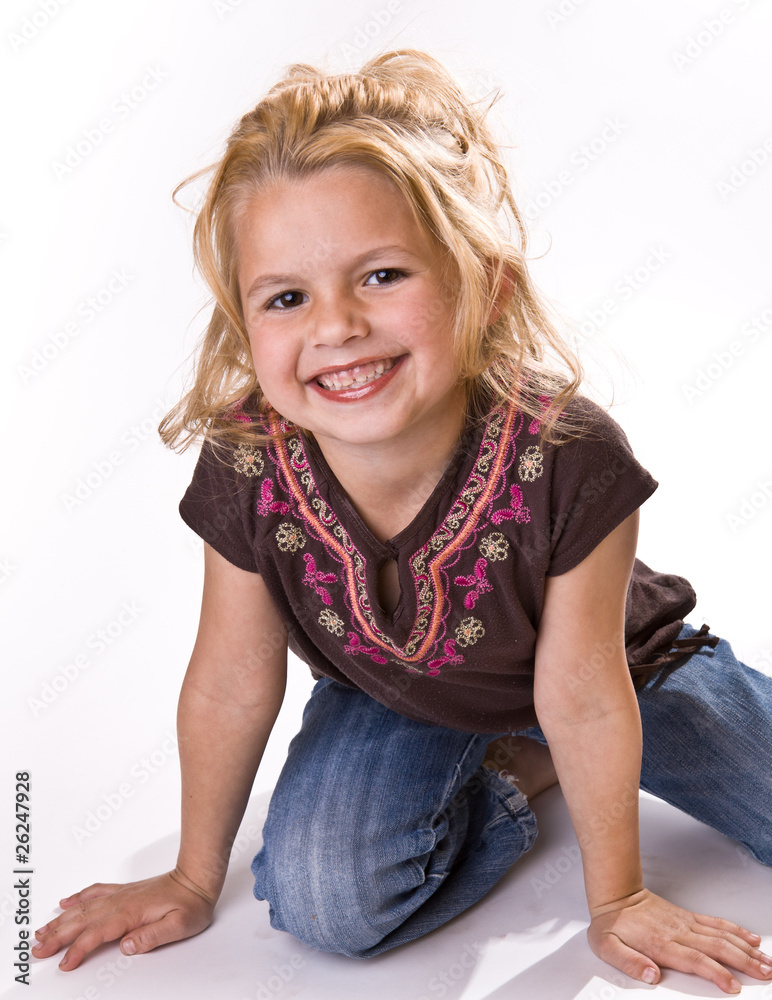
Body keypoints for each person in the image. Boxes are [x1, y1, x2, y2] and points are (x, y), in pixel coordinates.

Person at [32, 49, 772, 995]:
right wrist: (190, 876)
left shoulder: (569, 455)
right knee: (321, 902)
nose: (335, 325)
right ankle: (521, 768)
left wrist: (618, 899)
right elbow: (228, 681)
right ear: (242, 328)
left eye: (381, 275)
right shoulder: (251, 460)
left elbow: (585, 692)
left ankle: (576, 751)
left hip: (623, 677)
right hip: (404, 695)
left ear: (481, 287)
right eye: (288, 297)